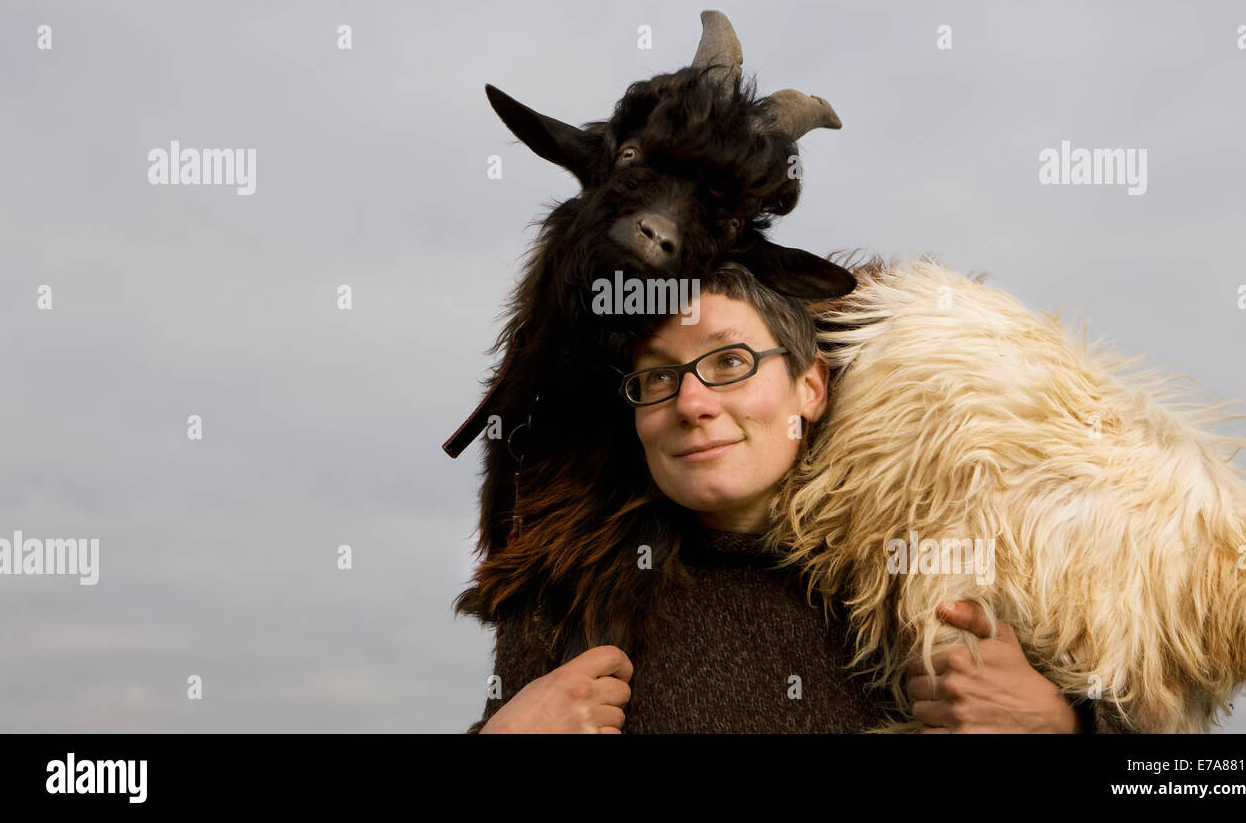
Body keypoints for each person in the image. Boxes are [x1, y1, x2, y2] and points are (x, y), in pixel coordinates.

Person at [467, 261, 1125, 733]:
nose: (692, 403)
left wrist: (1059, 724)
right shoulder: (572, 595)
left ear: (809, 387)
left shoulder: (951, 563)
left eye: (729, 363)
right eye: (659, 376)